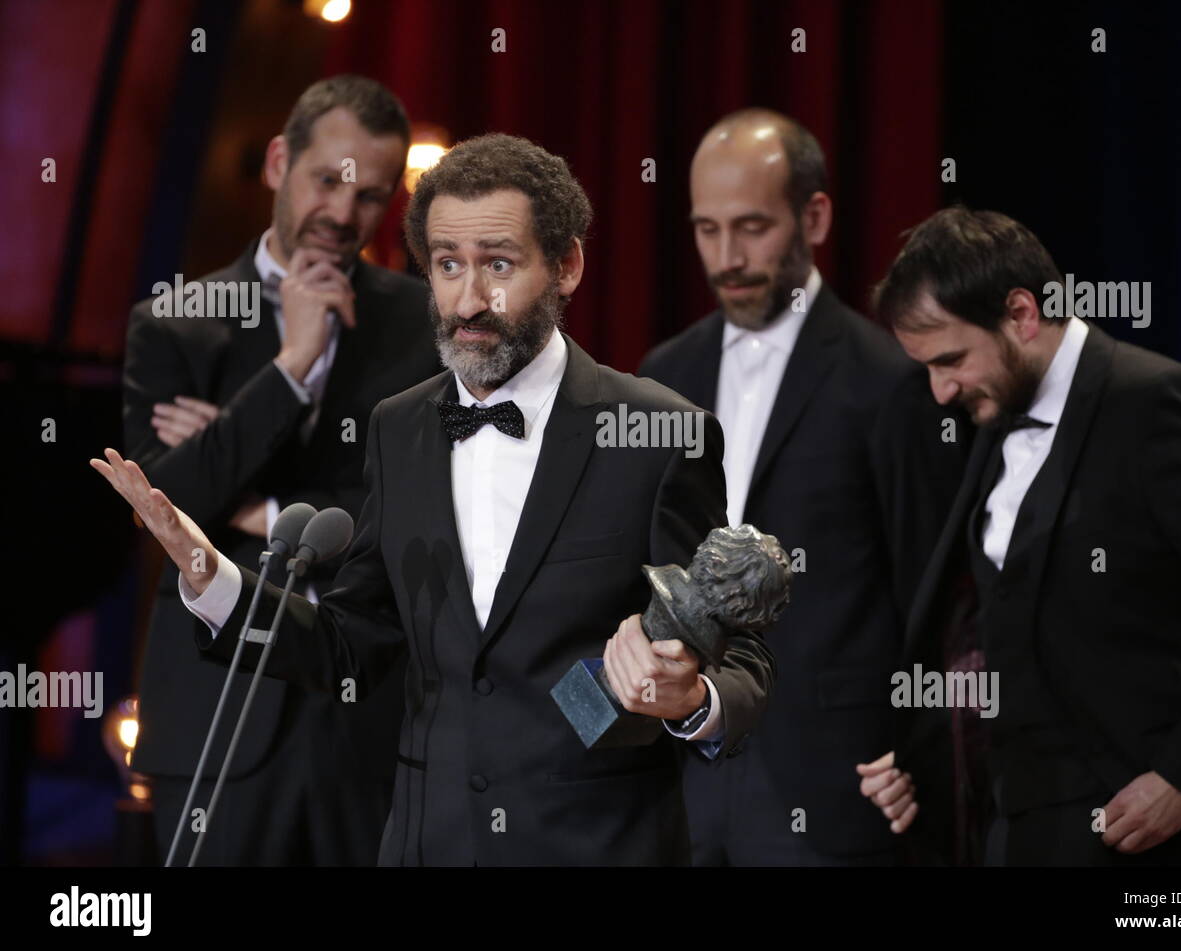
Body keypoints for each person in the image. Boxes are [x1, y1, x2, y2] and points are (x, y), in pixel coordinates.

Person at [96, 132, 775, 866]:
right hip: (427, 843)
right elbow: (353, 641)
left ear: (567, 265)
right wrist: (211, 578)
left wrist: (691, 700)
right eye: (448, 265)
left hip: (599, 843)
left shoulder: (660, 431)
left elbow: (742, 656)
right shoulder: (398, 427)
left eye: (500, 265)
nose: (469, 299)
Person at [859, 205, 1181, 865]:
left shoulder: (1153, 402)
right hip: (1023, 833)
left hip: (1167, 845)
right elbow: (994, 632)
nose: (941, 391)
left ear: (1021, 315)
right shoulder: (997, 417)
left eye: (949, 359)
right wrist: (925, 751)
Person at [122, 75, 441, 865]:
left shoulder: (423, 320)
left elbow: (414, 507)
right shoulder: (174, 322)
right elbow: (166, 508)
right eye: (326, 180)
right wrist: (293, 366)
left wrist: (254, 507)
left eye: (370, 194)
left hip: (367, 716)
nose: (343, 212)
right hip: (213, 717)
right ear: (276, 164)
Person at [639, 109, 966, 865]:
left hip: (834, 789)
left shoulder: (890, 383)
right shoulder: (660, 377)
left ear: (813, 216)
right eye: (707, 229)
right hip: (678, 780)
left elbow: (936, 600)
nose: (727, 257)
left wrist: (913, 756)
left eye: (752, 227)